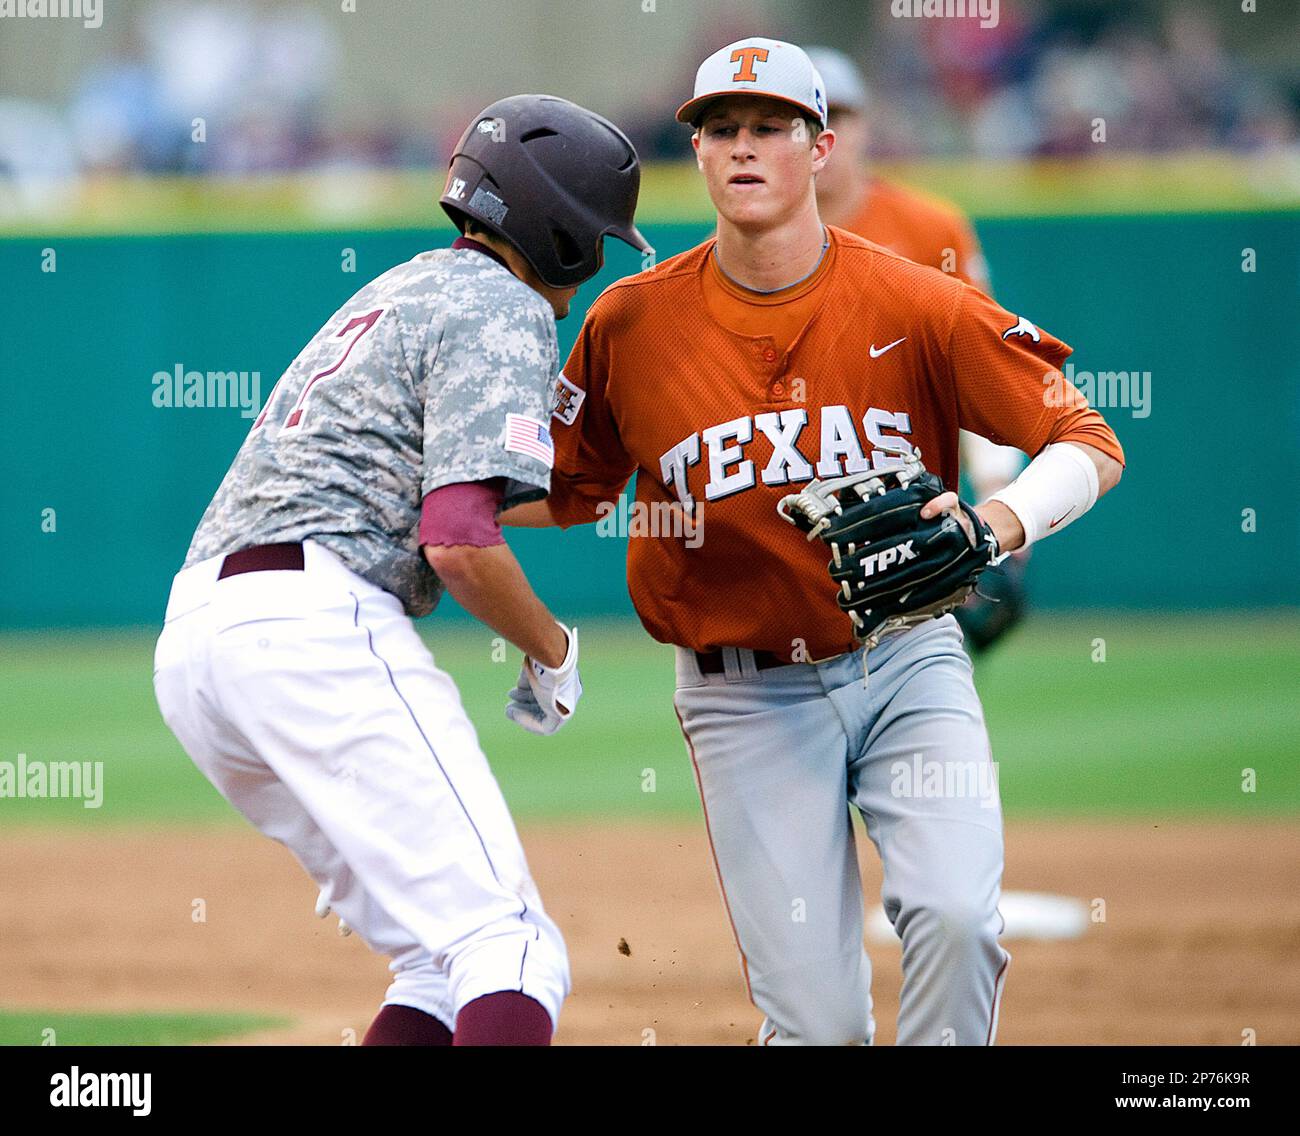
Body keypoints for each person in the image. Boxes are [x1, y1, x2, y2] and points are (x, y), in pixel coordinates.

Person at [504, 38, 1125, 1045]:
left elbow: (1086, 437)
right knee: (820, 1022)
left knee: (960, 920)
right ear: (697, 155)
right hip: (742, 694)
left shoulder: (913, 297)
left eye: (769, 128)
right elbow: (568, 489)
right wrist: (420, 500)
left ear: (820, 146)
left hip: (906, 655)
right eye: (720, 130)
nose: (742, 149)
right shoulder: (629, 322)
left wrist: (999, 522)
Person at [153, 94, 649, 1046]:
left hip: (201, 647)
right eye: (596, 237)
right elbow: (457, 540)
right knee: (510, 947)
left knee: (433, 959)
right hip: (314, 630)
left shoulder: (400, 288)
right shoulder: (505, 305)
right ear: (563, 233)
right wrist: (552, 649)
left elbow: (448, 493)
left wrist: (580, 491)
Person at [806, 45, 1029, 653]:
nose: (826, 132)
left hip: (913, 497)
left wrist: (1000, 503)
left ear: (861, 128)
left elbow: (981, 370)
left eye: (839, 116)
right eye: (802, 117)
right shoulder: (740, 244)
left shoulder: (930, 228)